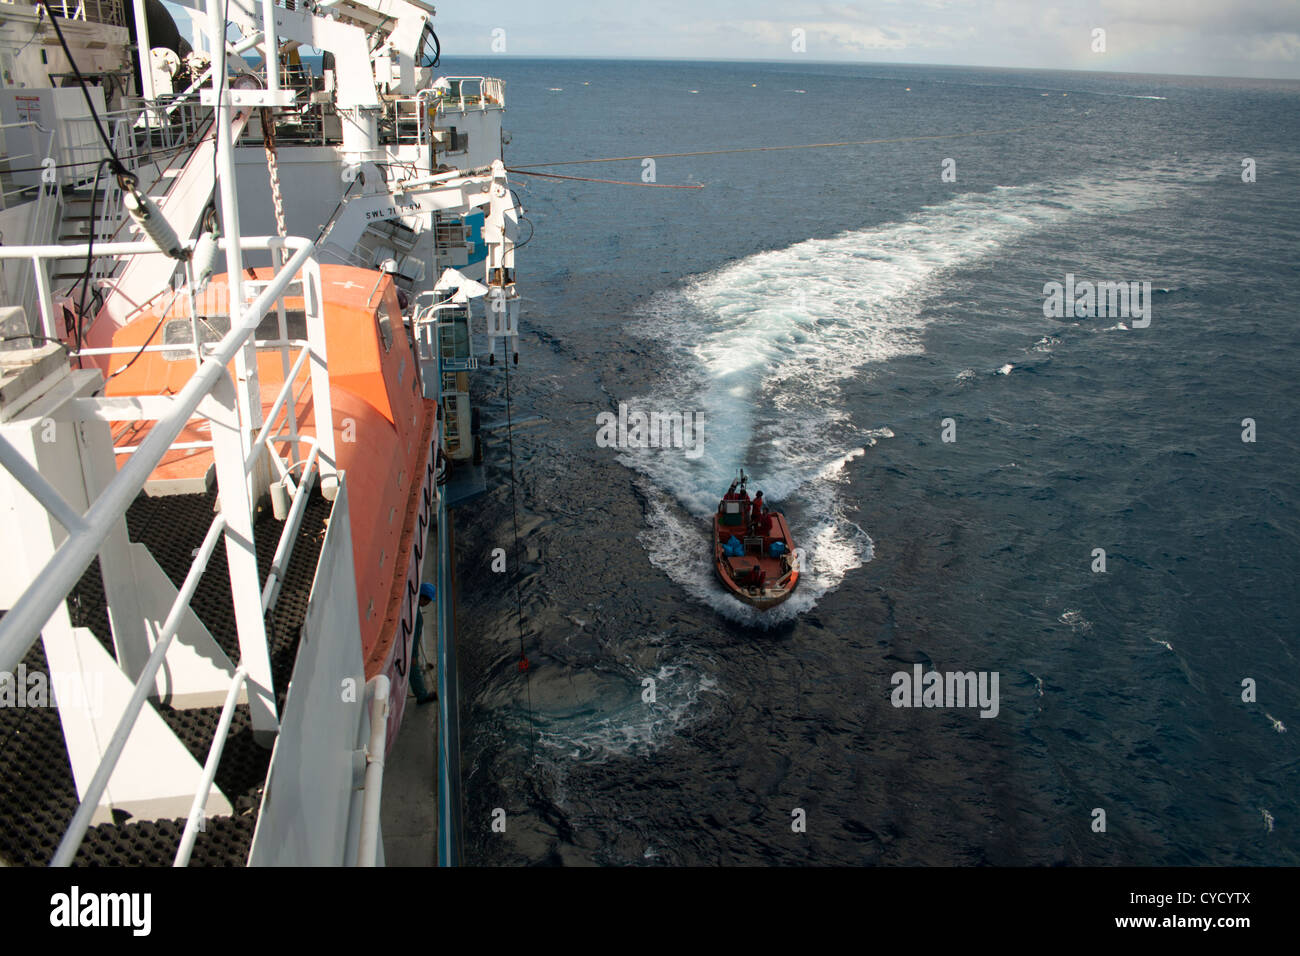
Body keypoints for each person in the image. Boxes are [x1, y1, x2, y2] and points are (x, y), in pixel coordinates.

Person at [410, 582, 438, 705]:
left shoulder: (413, 606)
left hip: (413, 646)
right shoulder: (416, 616)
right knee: (413, 670)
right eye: (428, 600)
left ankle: (421, 667)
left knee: (416, 666)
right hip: (411, 650)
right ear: (422, 597)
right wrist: (413, 656)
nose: (428, 603)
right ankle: (422, 696)